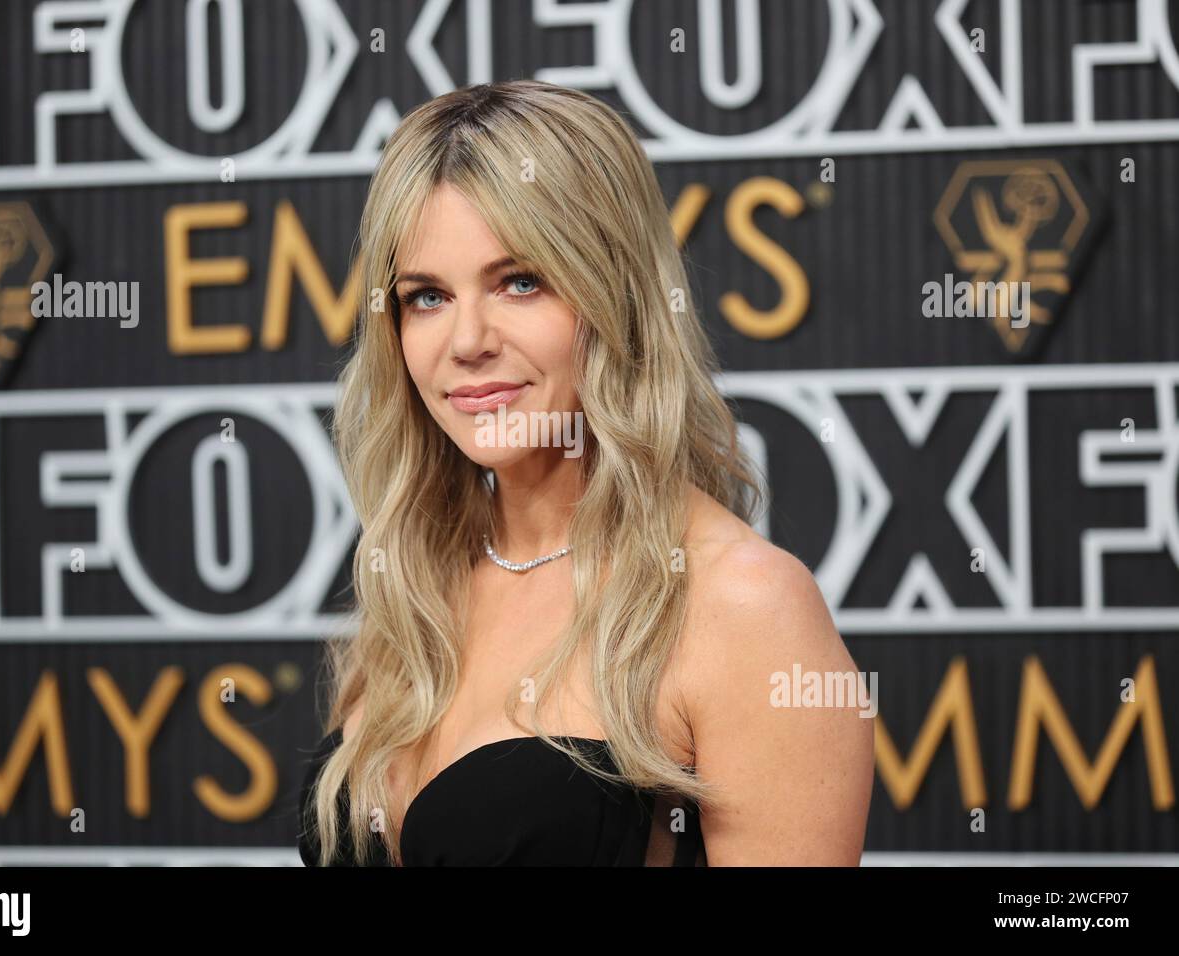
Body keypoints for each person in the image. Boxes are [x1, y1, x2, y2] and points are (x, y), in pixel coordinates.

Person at [298, 79, 873, 866]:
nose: (466, 340)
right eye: (425, 296)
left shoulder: (745, 607)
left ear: (615, 293)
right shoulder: (414, 591)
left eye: (520, 282)